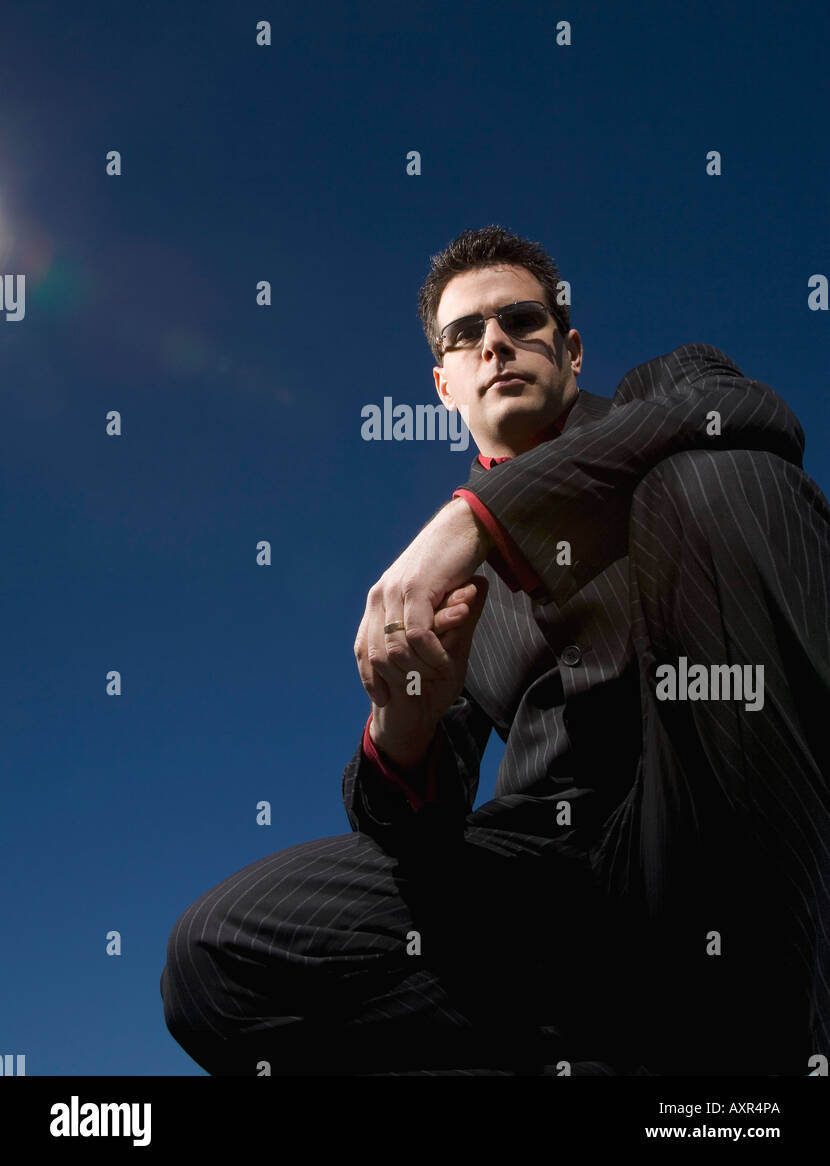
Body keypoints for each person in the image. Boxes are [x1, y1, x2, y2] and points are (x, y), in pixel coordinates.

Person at [160, 225, 830, 1076]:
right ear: (443, 384)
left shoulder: (664, 397)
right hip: (547, 898)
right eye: (466, 335)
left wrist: (481, 516)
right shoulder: (452, 602)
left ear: (573, 349)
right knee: (217, 956)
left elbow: (756, 414)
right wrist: (402, 727)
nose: (496, 344)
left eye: (521, 320)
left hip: (714, 833)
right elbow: (409, 829)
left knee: (719, 475)